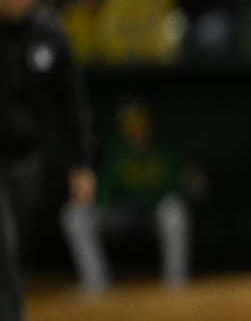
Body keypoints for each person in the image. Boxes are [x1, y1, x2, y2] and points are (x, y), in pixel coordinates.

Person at [0, 0, 95, 321]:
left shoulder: (48, 36)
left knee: (10, 264)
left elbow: (71, 105)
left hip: (25, 165)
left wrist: (81, 163)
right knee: (3, 258)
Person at [59, 98, 194, 295]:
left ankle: (175, 283)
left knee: (175, 212)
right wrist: (102, 207)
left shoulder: (165, 150)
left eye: (140, 124)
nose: (136, 130)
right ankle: (96, 280)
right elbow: (103, 188)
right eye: (131, 125)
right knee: (73, 213)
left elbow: (175, 187)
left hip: (152, 214)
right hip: (121, 215)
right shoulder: (116, 151)